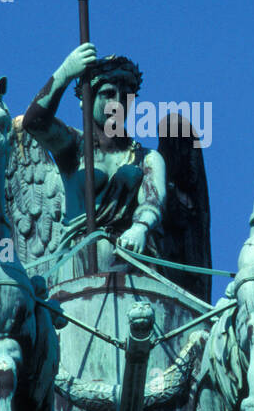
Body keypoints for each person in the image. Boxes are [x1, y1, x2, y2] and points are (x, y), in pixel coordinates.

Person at [22, 42, 165, 259]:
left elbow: (152, 199)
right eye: (107, 94)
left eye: (125, 96)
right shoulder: (72, 146)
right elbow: (34, 122)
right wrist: (65, 73)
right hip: (77, 258)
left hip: (130, 256)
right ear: (86, 101)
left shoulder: (147, 158)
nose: (117, 103)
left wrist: (140, 228)